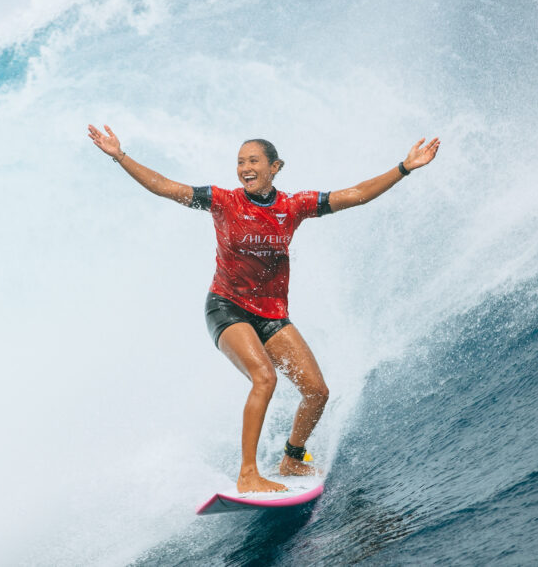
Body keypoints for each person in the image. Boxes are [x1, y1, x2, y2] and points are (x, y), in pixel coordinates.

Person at [88, 124, 440, 492]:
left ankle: (292, 457)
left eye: (254, 161)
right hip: (227, 308)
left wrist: (404, 167)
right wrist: (120, 156)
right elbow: (165, 186)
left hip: (270, 313)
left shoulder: (294, 206)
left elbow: (356, 195)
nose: (245, 168)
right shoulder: (223, 201)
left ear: (275, 166)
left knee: (317, 392)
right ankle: (248, 474)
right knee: (265, 377)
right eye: (240, 162)